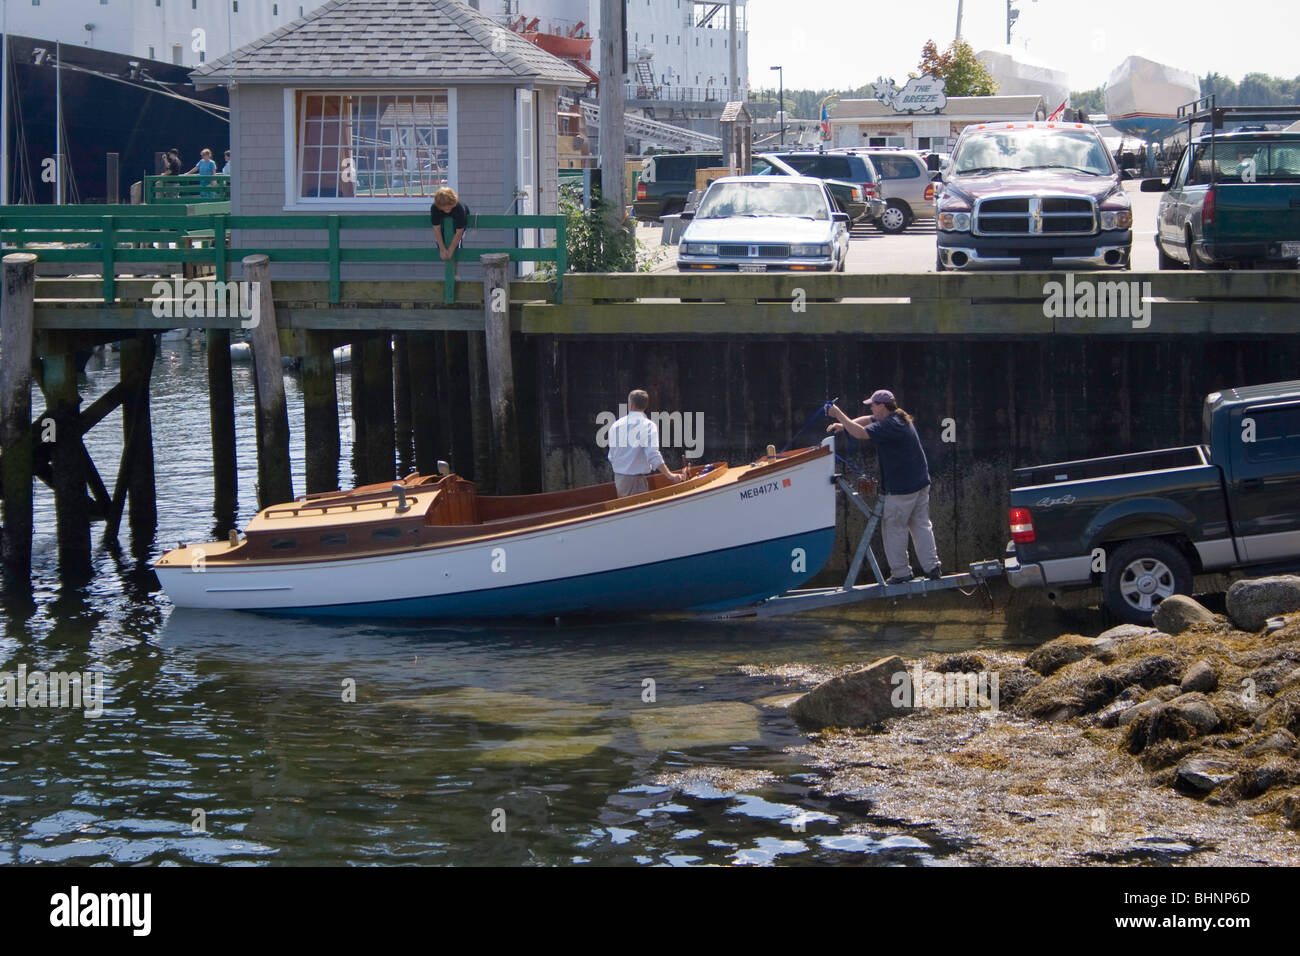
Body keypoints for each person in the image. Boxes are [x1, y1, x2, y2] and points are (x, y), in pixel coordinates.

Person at [826, 389, 941, 584]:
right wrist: (844, 425)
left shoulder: (890, 425)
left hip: (902, 488)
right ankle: (933, 567)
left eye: (873, 404)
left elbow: (861, 434)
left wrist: (837, 413)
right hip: (920, 483)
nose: (871, 407)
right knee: (921, 525)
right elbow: (868, 420)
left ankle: (901, 572)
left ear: (882, 406)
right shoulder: (898, 417)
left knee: (894, 527)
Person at [606, 389, 684, 498]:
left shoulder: (616, 425)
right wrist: (670, 476)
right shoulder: (648, 425)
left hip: (619, 479)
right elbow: (653, 455)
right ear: (645, 406)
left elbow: (611, 456)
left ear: (630, 404)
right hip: (636, 481)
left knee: (627, 511)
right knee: (635, 512)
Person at [429, 186, 470, 262]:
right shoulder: (434, 208)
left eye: (449, 204)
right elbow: (437, 228)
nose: (447, 207)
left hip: (458, 225)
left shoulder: (459, 208)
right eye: (444, 205)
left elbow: (459, 231)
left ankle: (455, 272)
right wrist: (442, 249)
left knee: (455, 249)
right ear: (438, 205)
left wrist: (451, 250)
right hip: (443, 226)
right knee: (442, 246)